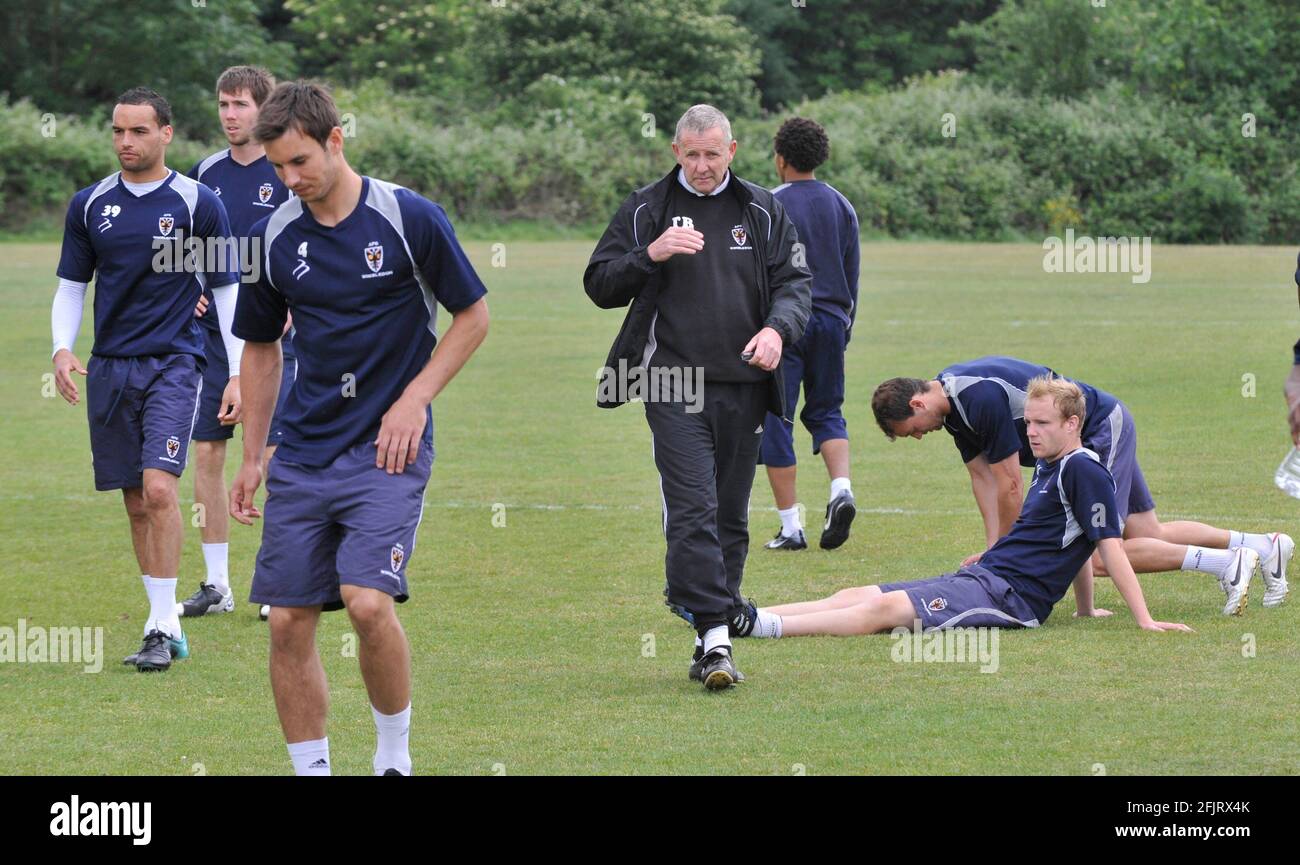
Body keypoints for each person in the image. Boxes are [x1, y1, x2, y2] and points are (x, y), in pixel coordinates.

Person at [229, 81, 489, 776]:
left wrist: (416, 397)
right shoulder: (274, 234)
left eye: (300, 161)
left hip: (387, 446)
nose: (289, 179)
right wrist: (253, 455)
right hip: (304, 449)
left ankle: (393, 758)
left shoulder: (408, 217)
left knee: (368, 602)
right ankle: (312, 769)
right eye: (278, 167)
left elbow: (473, 316)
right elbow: (259, 348)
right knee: (286, 620)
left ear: (337, 139)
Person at [584, 104, 811, 690]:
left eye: (713, 154)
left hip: (745, 383)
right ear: (675, 152)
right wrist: (650, 254)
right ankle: (716, 635)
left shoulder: (762, 208)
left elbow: (795, 285)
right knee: (691, 508)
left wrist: (776, 331)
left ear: (732, 151)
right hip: (671, 382)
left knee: (731, 516)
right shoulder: (646, 208)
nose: (703, 165)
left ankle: (708, 634)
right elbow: (600, 283)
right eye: (692, 154)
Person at [736, 378, 1193, 639]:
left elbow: (1107, 547)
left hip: (1012, 598)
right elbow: (1073, 544)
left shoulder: (1084, 470)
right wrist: (1085, 610)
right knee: (862, 592)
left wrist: (1145, 619)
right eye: (1028, 422)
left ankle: (766, 629)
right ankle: (750, 614)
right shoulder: (1051, 467)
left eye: (1042, 423)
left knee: (890, 609)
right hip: (987, 577)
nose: (1029, 432)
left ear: (1073, 423)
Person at [51, 87, 241, 671]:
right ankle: (162, 616)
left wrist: (235, 372)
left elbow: (228, 286)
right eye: (117, 131)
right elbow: (73, 286)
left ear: (166, 133)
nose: (126, 142)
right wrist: (61, 348)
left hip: (175, 363)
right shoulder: (90, 205)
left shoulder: (197, 202)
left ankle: (160, 627)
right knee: (135, 501)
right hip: (110, 367)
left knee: (160, 489)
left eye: (138, 131)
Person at [872, 356, 1291, 613]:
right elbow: (982, 480)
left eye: (911, 429)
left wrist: (1005, 555)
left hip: (1095, 430)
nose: (919, 436)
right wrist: (995, 555)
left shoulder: (976, 398)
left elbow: (1010, 485)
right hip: (1099, 423)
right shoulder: (954, 410)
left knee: (1092, 555)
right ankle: (1262, 545)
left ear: (918, 403)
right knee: (1147, 534)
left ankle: (1228, 563)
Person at [180, 65, 290, 620]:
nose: (229, 115)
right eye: (223, 104)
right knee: (208, 453)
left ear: (264, 109)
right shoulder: (202, 175)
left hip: (279, 335)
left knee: (271, 454)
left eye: (241, 105)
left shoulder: (288, 169)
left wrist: (293, 303)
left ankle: (275, 584)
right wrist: (193, 288)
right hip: (215, 340)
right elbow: (186, 249)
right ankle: (217, 584)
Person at [758, 117, 860, 551]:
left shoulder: (769, 202)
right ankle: (841, 489)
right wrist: (843, 324)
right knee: (827, 410)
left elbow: (756, 271)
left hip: (785, 323)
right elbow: (851, 270)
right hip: (833, 320)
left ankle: (791, 526)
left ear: (780, 159)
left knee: (775, 418)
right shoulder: (842, 205)